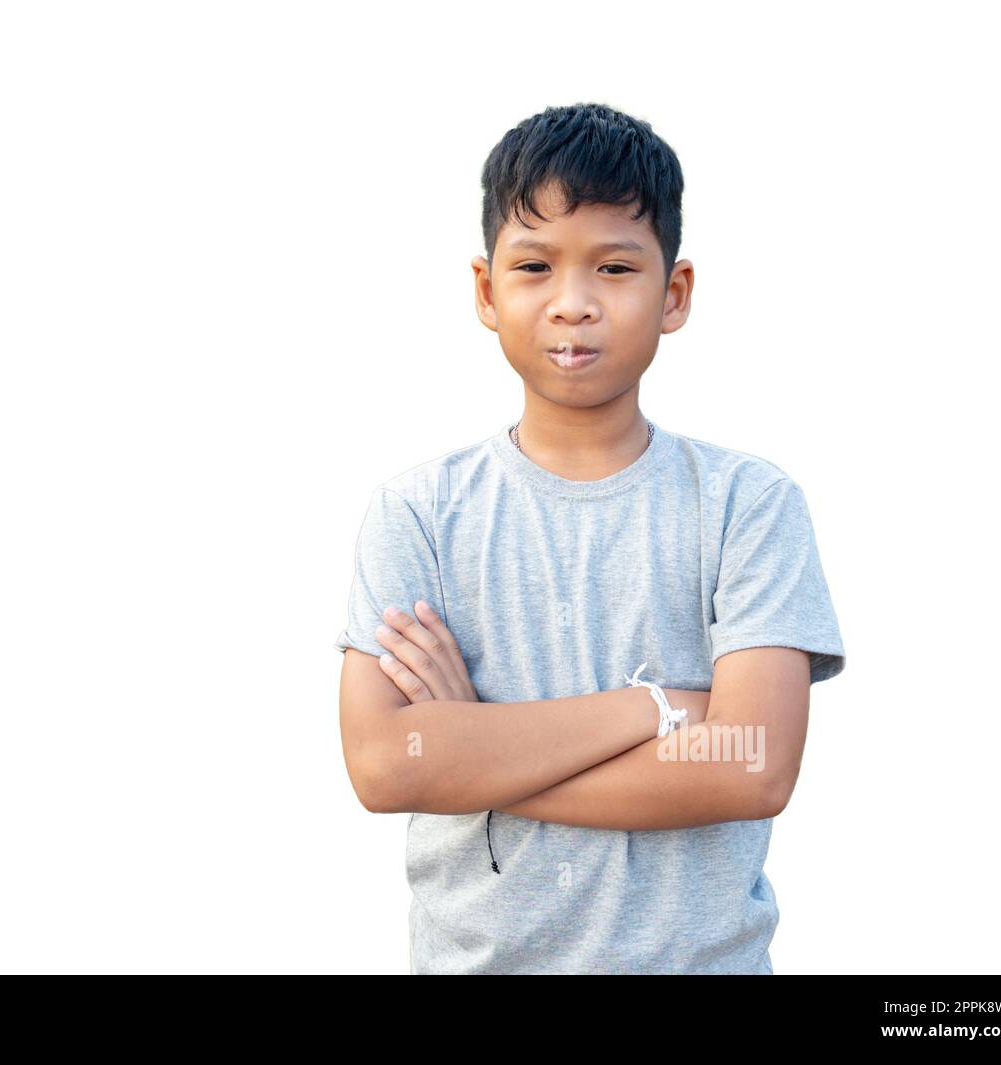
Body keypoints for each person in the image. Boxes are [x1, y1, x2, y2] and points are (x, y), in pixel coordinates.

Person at [333, 102, 846, 975]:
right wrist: (657, 710)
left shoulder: (747, 505)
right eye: (535, 266)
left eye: (613, 266)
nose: (573, 303)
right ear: (488, 292)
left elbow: (752, 764)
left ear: (673, 293)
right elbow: (387, 765)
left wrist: (474, 747)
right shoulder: (418, 511)